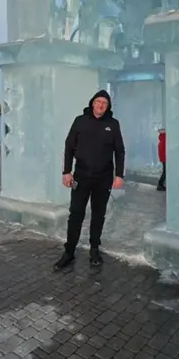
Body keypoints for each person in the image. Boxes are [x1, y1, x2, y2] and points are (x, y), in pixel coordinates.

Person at [54, 90, 125, 270]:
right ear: (92, 103)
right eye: (98, 101)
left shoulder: (113, 124)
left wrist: (119, 175)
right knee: (76, 213)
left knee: (98, 214)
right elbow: (69, 146)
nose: (101, 105)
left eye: (104, 103)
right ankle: (69, 251)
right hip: (81, 176)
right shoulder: (80, 121)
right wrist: (66, 171)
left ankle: (94, 250)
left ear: (108, 106)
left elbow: (119, 151)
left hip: (104, 177)